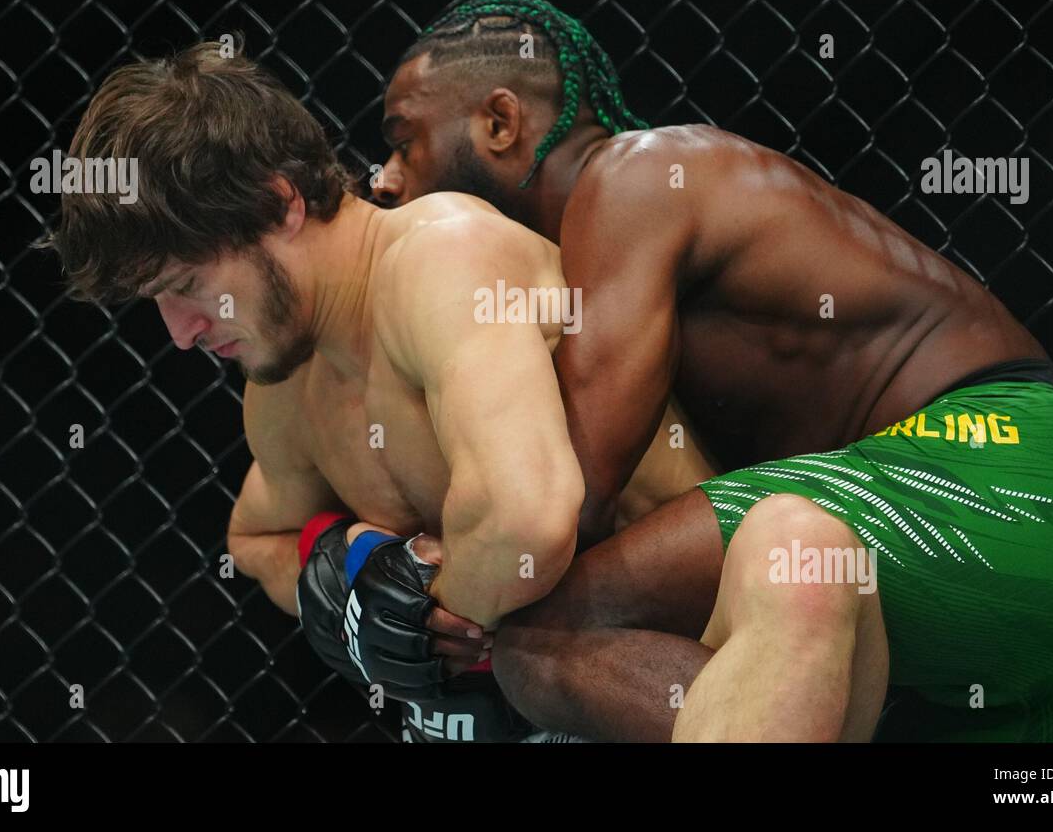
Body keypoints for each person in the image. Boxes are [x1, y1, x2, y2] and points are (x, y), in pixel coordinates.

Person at [361, 0, 1053, 740]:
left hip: (1019, 482)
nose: (386, 181)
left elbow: (567, 500)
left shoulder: (634, 178)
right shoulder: (618, 247)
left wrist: (418, 590)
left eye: (404, 141)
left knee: (541, 639)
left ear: (499, 123)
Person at [43, 38, 713, 741]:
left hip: (692, 652)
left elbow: (528, 518)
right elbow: (255, 538)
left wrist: (408, 623)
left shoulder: (439, 257)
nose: (179, 333)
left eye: (186, 286)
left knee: (526, 656)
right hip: (545, 702)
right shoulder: (286, 391)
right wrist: (355, 575)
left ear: (279, 205)